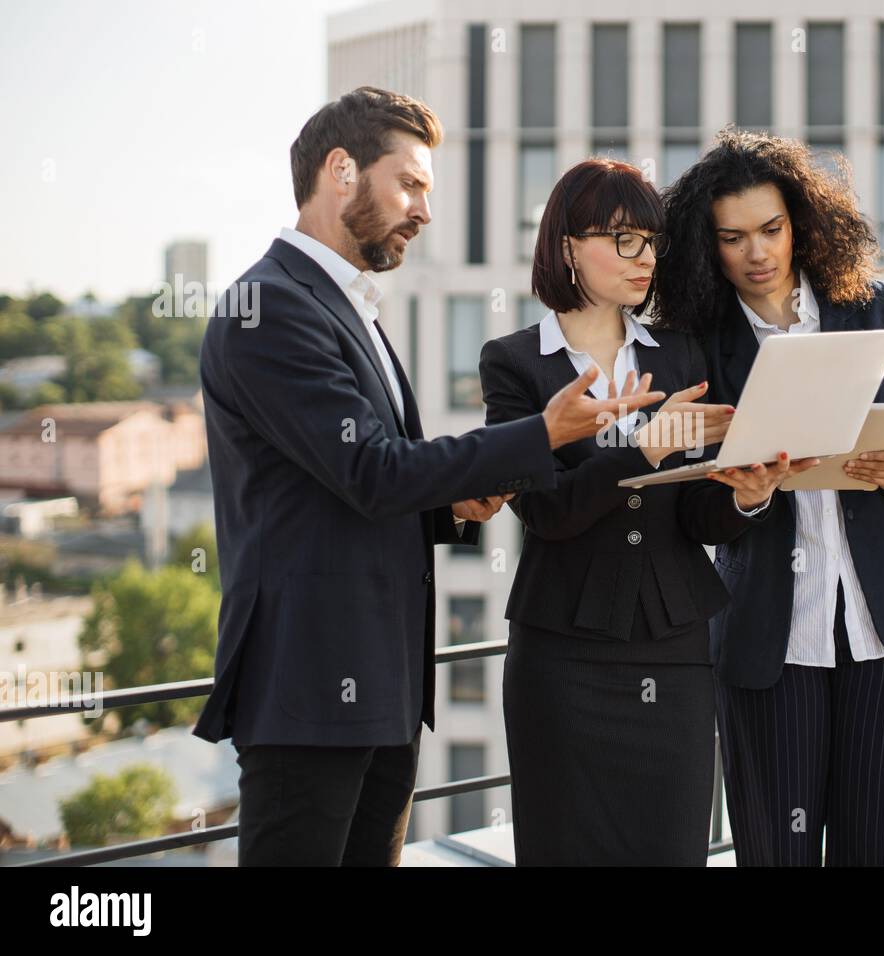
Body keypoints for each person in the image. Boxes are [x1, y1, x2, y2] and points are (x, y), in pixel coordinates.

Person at [193, 88, 664, 866]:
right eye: (410, 184)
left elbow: (353, 489)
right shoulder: (266, 307)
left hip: (380, 694)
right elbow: (371, 471)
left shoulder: (350, 311)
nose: (424, 210)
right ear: (341, 171)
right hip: (308, 693)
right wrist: (542, 433)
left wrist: (452, 511)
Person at [479, 158, 811, 865]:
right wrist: (643, 450)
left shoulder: (680, 352)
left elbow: (697, 517)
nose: (644, 259)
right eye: (622, 240)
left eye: (651, 241)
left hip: (674, 648)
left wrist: (746, 499)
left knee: (673, 849)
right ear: (567, 246)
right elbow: (549, 514)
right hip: (562, 657)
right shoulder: (514, 363)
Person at [654, 128, 884, 866]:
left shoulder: (871, 303)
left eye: (771, 229)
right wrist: (746, 498)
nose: (756, 252)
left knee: (878, 852)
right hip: (769, 638)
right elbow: (688, 505)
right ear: (707, 245)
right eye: (733, 238)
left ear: (801, 223)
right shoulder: (696, 344)